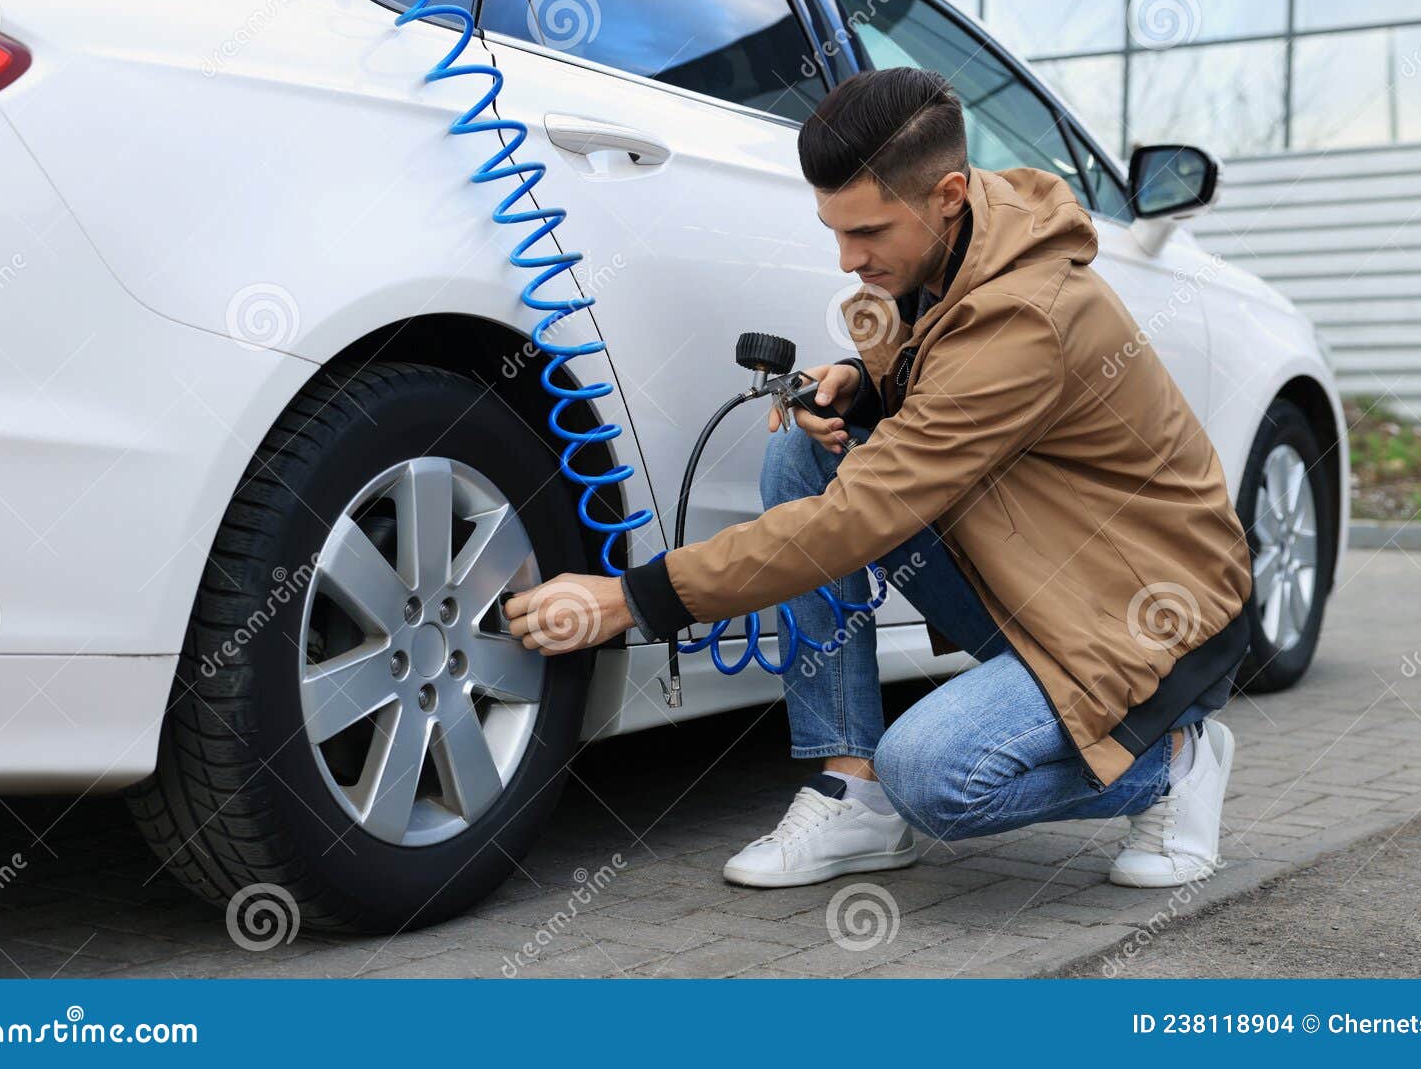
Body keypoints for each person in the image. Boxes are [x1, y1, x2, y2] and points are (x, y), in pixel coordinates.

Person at [505, 67, 1253, 891]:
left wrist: (634, 598)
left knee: (935, 778)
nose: (848, 258)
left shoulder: (1029, 313)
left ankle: (1173, 762)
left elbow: (868, 510)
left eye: (866, 231)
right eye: (834, 229)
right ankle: (850, 791)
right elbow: (951, 389)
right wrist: (868, 384)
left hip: (1145, 616)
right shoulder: (962, 250)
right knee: (803, 452)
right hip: (1040, 574)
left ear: (948, 194)